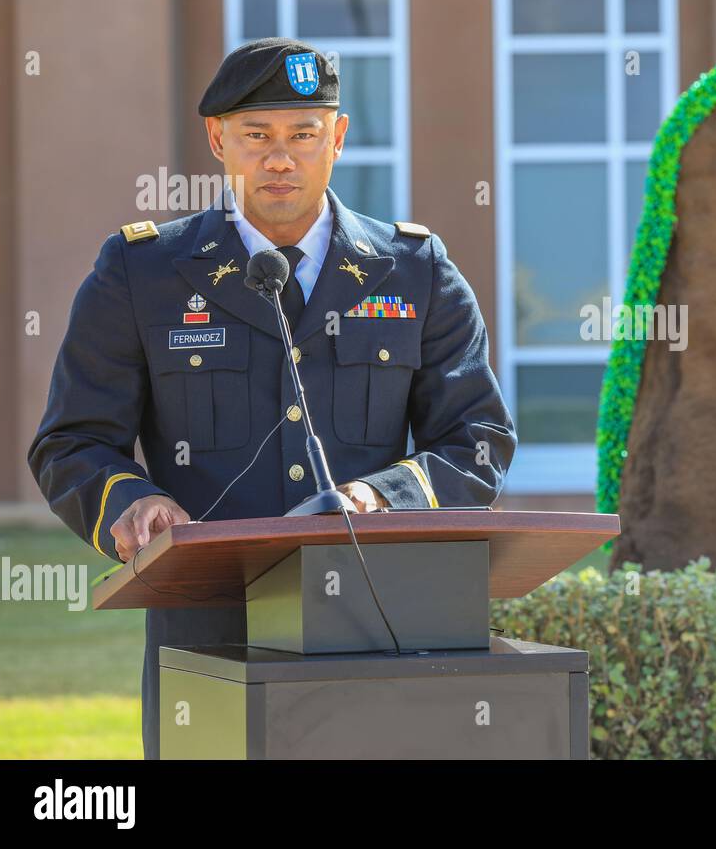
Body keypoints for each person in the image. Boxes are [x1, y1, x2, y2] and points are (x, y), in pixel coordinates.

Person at [27, 37, 516, 759]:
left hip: (375, 629)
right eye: (256, 136)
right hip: (207, 639)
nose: (280, 158)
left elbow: (477, 440)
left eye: (303, 135)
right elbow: (71, 441)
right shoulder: (143, 272)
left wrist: (383, 499)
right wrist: (131, 502)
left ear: (339, 138)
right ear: (218, 140)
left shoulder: (415, 273)